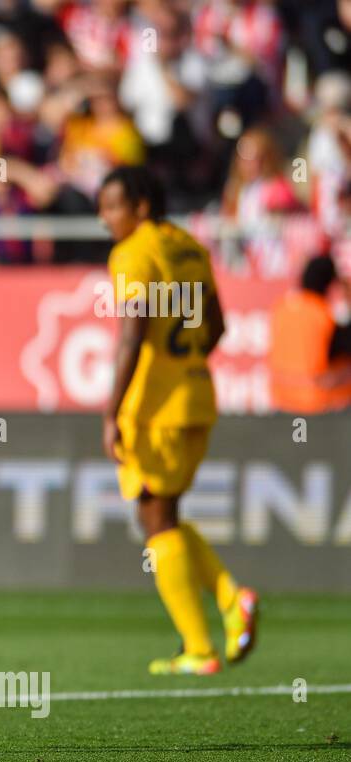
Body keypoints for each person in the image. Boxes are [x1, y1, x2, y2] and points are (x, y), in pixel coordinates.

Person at [97, 165, 258, 675]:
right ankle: (226, 609)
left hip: (154, 406)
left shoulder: (134, 251)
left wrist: (112, 409)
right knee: (165, 515)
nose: (105, 219)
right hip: (196, 396)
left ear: (141, 206)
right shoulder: (191, 245)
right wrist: (185, 363)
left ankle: (203, 642)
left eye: (113, 207)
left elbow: (132, 332)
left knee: (155, 519)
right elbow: (216, 327)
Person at [269, 254, 351, 413]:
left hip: (281, 399)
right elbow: (343, 349)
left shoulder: (281, 308)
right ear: (328, 284)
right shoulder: (322, 314)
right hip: (317, 402)